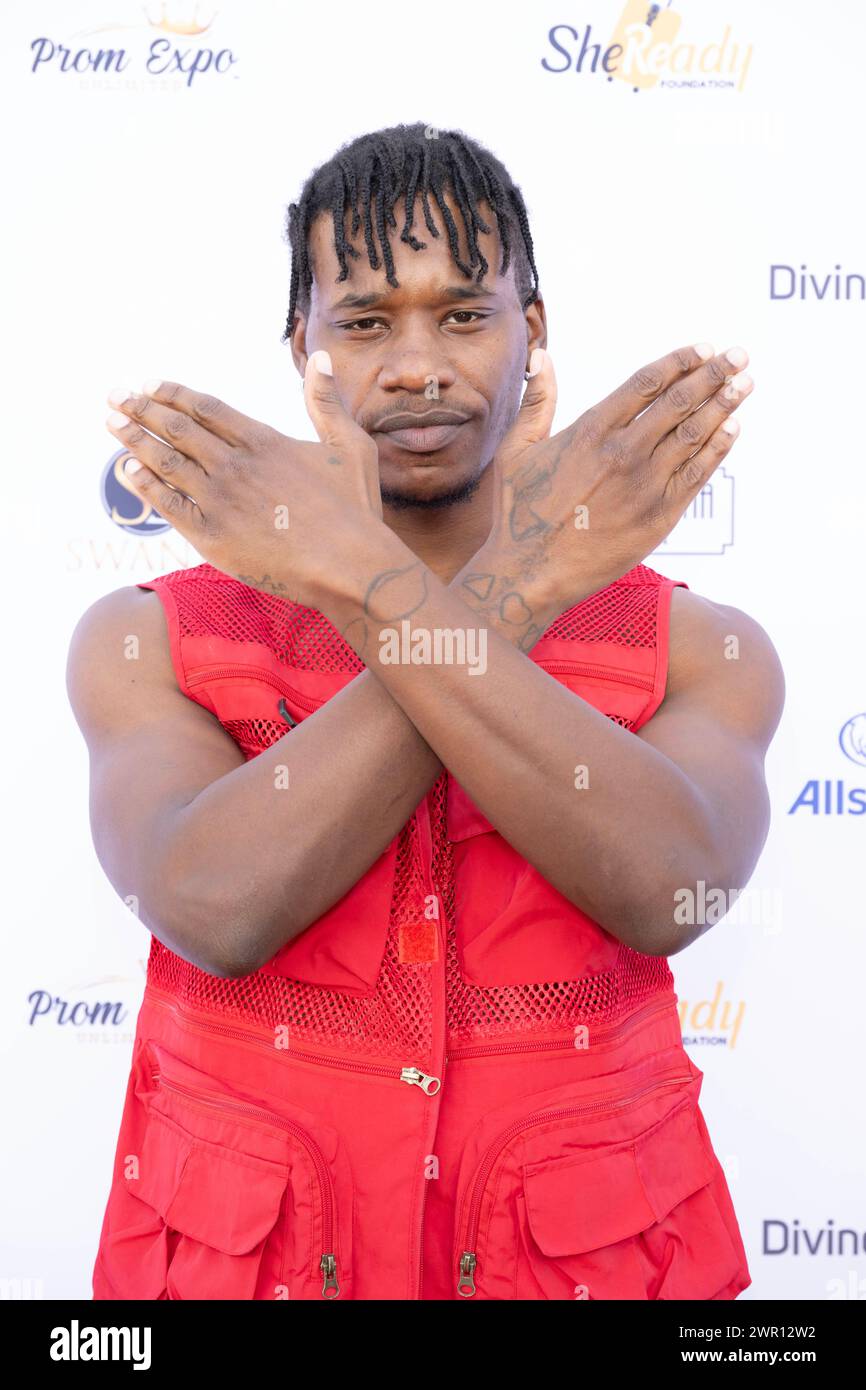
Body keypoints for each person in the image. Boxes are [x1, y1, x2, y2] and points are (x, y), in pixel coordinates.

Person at [67, 122, 784, 1301]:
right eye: (361, 321)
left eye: (463, 314)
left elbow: (668, 889)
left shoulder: (697, 646)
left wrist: (389, 580)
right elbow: (215, 907)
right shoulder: (149, 636)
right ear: (302, 348)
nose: (414, 365)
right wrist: (518, 581)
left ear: (531, 334)